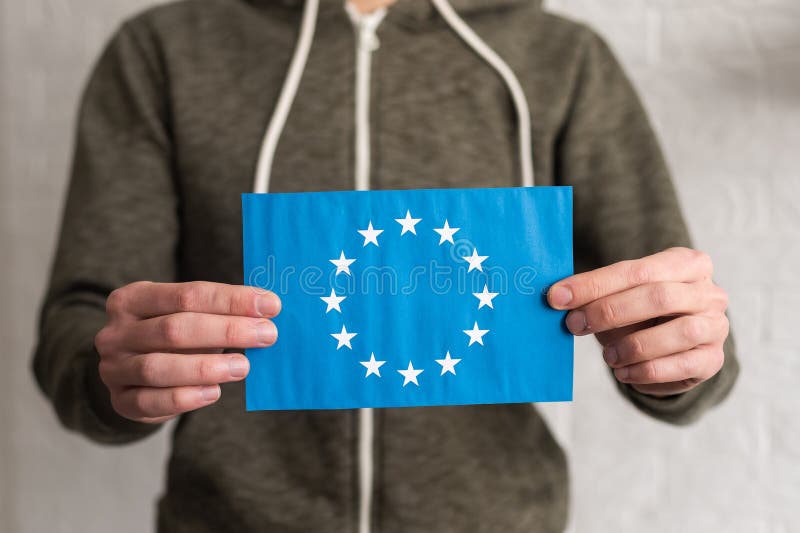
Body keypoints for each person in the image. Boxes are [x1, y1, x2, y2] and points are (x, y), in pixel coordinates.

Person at [33, 0, 739, 531]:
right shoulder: (163, 51)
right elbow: (81, 321)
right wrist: (112, 371)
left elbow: (693, 340)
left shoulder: (559, 58)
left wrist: (684, 351)